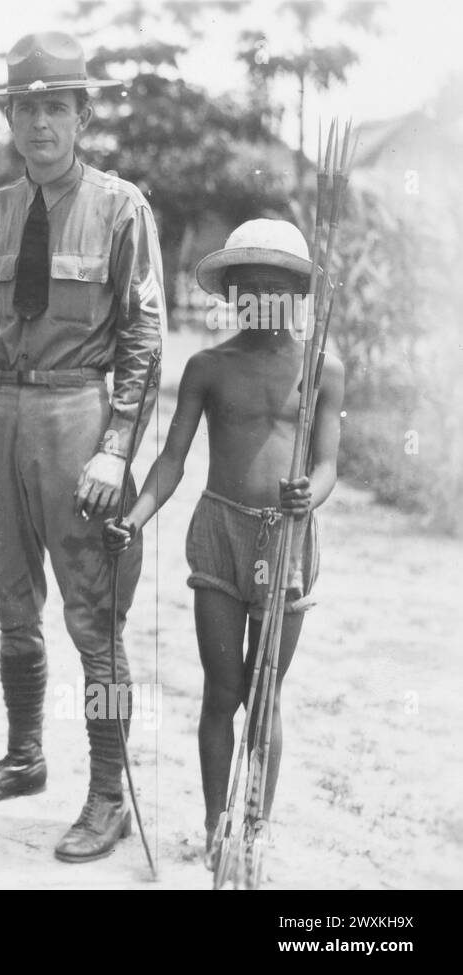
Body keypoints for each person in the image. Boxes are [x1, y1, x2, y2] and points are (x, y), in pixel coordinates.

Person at [0, 31, 165, 863]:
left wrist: (117, 447)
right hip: (0, 416)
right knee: (12, 600)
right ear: (9, 118)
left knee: (94, 616)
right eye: (25, 107)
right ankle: (24, 756)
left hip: (79, 412)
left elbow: (144, 339)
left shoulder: (122, 207)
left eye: (55, 107)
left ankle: (108, 793)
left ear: (82, 115)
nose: (39, 123)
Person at [103, 218, 344, 870]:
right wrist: (138, 514)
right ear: (233, 295)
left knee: (266, 695)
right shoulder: (208, 366)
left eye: (277, 288)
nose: (262, 301)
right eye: (250, 288)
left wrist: (310, 494)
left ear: (297, 294)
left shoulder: (323, 368)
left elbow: (326, 464)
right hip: (220, 536)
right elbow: (173, 457)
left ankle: (254, 827)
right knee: (223, 691)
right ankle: (216, 827)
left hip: (287, 539)